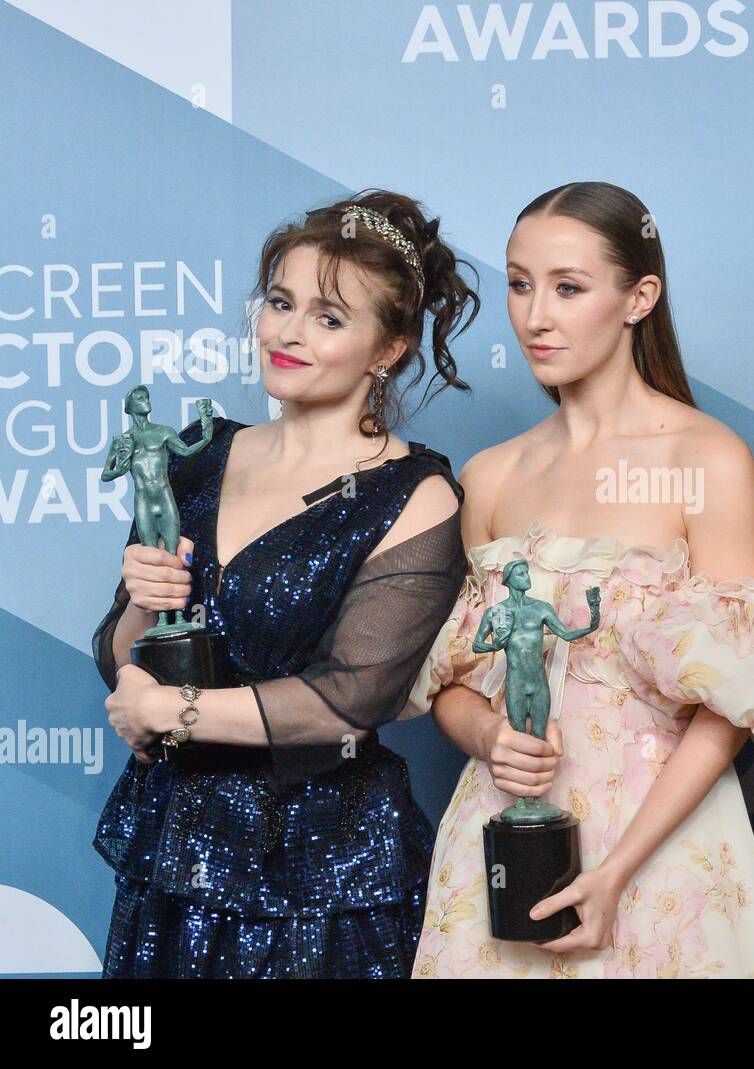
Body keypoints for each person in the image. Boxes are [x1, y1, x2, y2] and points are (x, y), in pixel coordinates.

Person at [404, 181, 754, 978]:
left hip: (664, 849)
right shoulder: (492, 475)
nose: (535, 315)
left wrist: (615, 871)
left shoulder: (706, 459)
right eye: (519, 282)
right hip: (505, 840)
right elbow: (455, 682)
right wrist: (491, 738)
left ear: (640, 296)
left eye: (568, 287)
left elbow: (732, 704)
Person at [91, 190, 479, 978]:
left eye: (330, 318)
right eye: (280, 302)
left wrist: (172, 711)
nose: (288, 332)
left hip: (325, 877)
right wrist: (141, 594)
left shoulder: (413, 495)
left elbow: (349, 699)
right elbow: (122, 657)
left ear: (391, 347)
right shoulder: (194, 457)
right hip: (177, 855)